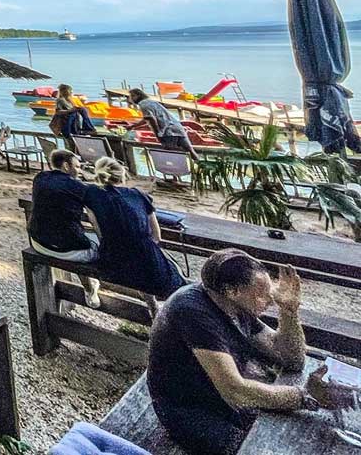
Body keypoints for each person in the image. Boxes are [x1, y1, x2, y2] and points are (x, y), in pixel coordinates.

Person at [147, 249, 358, 454]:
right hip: (190, 410)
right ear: (232, 291)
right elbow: (235, 392)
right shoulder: (192, 312)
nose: (269, 300)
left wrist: (289, 310)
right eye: (261, 294)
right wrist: (306, 395)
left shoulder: (233, 305)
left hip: (224, 400)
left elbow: (290, 358)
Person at [83, 157, 184, 305]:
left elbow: (97, 228)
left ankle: (153, 305)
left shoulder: (92, 194)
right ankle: (155, 306)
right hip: (146, 260)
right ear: (122, 175)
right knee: (174, 275)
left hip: (113, 259)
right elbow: (157, 235)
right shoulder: (137, 195)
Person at [28, 149, 101, 307]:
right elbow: (94, 219)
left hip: (38, 243)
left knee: (70, 234)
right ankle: (90, 288)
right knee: (93, 245)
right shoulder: (78, 187)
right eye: (77, 166)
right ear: (66, 166)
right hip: (66, 250)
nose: (79, 170)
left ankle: (89, 288)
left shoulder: (39, 178)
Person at [129, 88, 199, 159]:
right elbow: (147, 119)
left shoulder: (143, 104)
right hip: (177, 128)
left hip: (167, 130)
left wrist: (158, 134)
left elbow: (151, 119)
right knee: (191, 151)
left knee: (170, 153)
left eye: (132, 96)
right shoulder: (150, 101)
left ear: (138, 96)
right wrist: (133, 126)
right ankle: (198, 163)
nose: (130, 99)